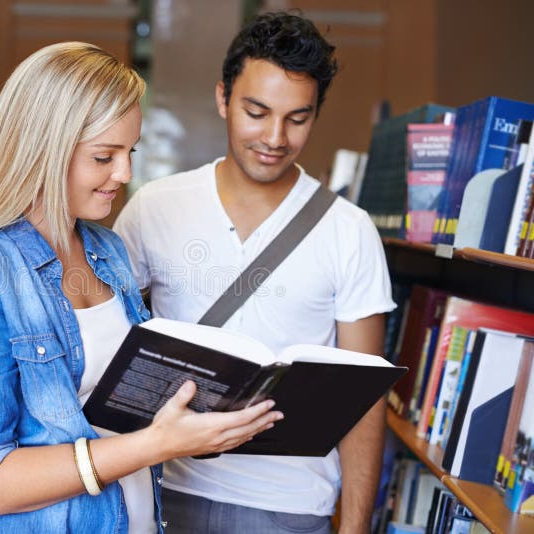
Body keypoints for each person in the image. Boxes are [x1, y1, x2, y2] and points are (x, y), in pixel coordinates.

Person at [0, 42, 284, 533]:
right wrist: (158, 444)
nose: (124, 174)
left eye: (130, 152)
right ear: (43, 149)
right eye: (104, 156)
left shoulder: (106, 250)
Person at [113, 12, 396, 534]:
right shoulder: (153, 208)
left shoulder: (349, 230)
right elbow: (108, 349)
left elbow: (363, 401)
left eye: (297, 118)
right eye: (256, 111)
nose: (275, 137)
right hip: (163, 488)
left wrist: (353, 528)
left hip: (290, 506)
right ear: (223, 98)